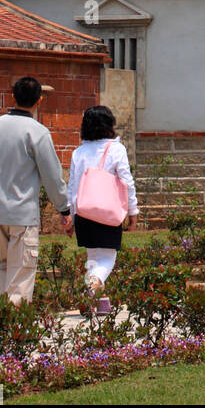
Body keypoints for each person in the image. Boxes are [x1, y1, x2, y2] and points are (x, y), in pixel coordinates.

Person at [0, 75, 72, 305]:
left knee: (5, 266)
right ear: (39, 101)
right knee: (21, 272)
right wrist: (64, 207)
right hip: (22, 213)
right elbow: (51, 175)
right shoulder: (37, 132)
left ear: (12, 96)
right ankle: (14, 328)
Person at [68, 105, 138, 315]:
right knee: (108, 259)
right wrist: (133, 211)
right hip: (107, 212)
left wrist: (71, 216)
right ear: (109, 125)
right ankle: (92, 286)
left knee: (93, 257)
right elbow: (127, 182)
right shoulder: (116, 149)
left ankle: (99, 304)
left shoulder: (78, 152)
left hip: (83, 213)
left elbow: (72, 186)